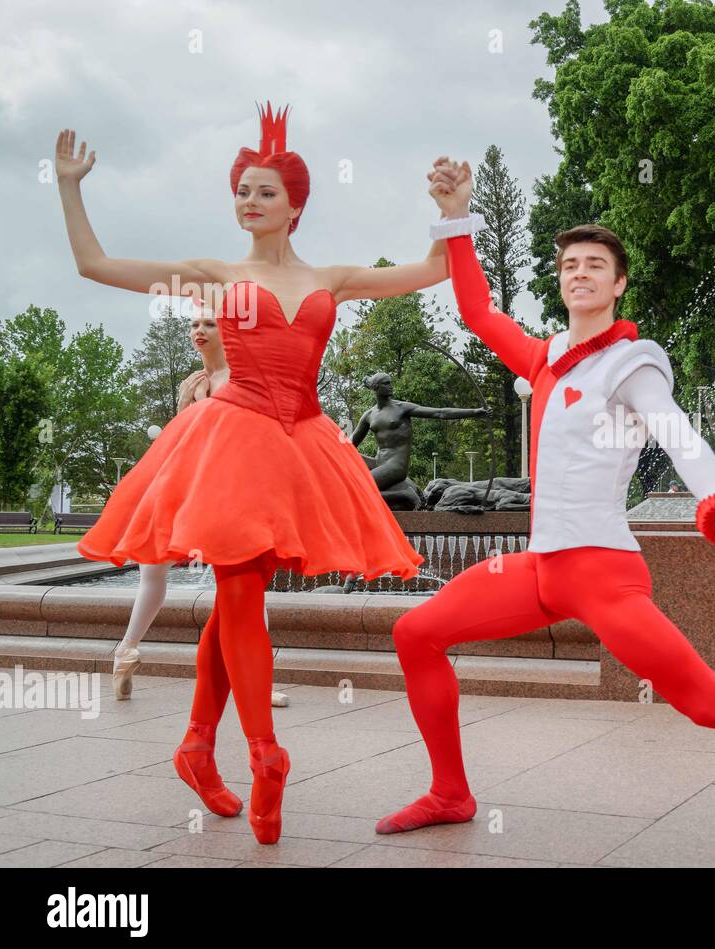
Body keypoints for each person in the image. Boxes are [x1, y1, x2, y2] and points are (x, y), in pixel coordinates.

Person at [376, 158, 715, 864]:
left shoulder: (632, 362)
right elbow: (477, 311)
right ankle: (451, 792)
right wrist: (456, 213)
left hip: (601, 572)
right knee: (417, 632)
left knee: (710, 701)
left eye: (595, 264)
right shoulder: (545, 360)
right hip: (539, 568)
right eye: (569, 264)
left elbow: (676, 431)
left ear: (618, 282)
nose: (579, 273)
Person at [58, 103, 443, 842]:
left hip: (302, 439)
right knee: (238, 586)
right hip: (233, 438)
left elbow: (431, 271)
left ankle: (198, 743)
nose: (249, 200)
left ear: (295, 205)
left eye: (265, 190)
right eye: (242, 189)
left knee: (245, 593)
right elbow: (95, 265)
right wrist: (71, 187)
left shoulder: (334, 274)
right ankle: (265, 751)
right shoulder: (214, 274)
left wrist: (450, 214)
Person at [110, 296, 289, 708]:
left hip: (228, 492)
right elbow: (182, 443)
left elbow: (246, 439)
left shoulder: (239, 380)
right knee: (152, 571)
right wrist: (183, 408)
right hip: (185, 485)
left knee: (243, 587)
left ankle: (257, 679)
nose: (199, 330)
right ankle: (126, 650)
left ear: (229, 332)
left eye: (209, 323)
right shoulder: (193, 383)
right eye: (195, 324)